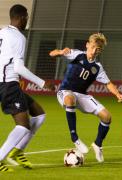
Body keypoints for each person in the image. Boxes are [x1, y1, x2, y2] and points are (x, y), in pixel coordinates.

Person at [49, 33, 122, 162]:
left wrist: (117, 93)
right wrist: (61, 52)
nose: (94, 51)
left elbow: (108, 83)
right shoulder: (77, 54)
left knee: (107, 116)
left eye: (98, 49)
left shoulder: (97, 68)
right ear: (87, 45)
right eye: (93, 46)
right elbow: (52, 53)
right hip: (65, 91)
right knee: (70, 99)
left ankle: (98, 144)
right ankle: (75, 138)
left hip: (82, 95)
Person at [0, 4, 52, 172]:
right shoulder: (19, 37)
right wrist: (43, 83)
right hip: (8, 84)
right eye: (27, 17)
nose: (27, 21)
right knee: (23, 125)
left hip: (6, 83)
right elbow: (18, 68)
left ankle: (18, 151)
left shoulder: (1, 32)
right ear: (22, 17)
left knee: (39, 113)